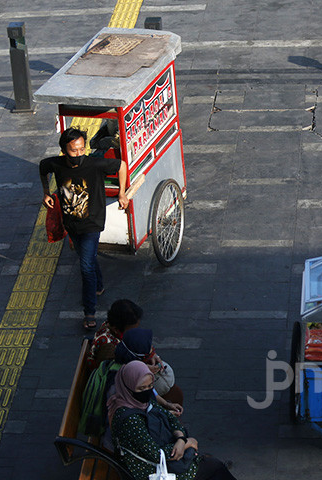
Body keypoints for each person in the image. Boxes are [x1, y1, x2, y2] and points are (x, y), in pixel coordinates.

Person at [39, 127, 129, 330]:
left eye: (82, 149)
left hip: (92, 223)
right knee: (86, 257)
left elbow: (121, 165)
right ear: (64, 150)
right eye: (74, 150)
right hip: (70, 222)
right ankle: (98, 286)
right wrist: (46, 193)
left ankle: (89, 311)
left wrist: (122, 193)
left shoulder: (95, 164)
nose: (79, 154)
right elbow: (43, 167)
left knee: (85, 266)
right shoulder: (56, 164)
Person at [108, 361, 236, 480]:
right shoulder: (129, 419)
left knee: (211, 465)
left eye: (150, 386)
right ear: (128, 387)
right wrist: (188, 443)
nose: (147, 391)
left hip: (167, 459)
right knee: (214, 467)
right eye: (141, 388)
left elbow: (171, 419)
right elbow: (157, 455)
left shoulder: (142, 401)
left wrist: (181, 439)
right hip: (152, 471)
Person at [87, 299, 142, 370]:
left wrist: (152, 354)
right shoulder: (109, 348)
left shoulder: (110, 324)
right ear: (116, 329)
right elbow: (114, 372)